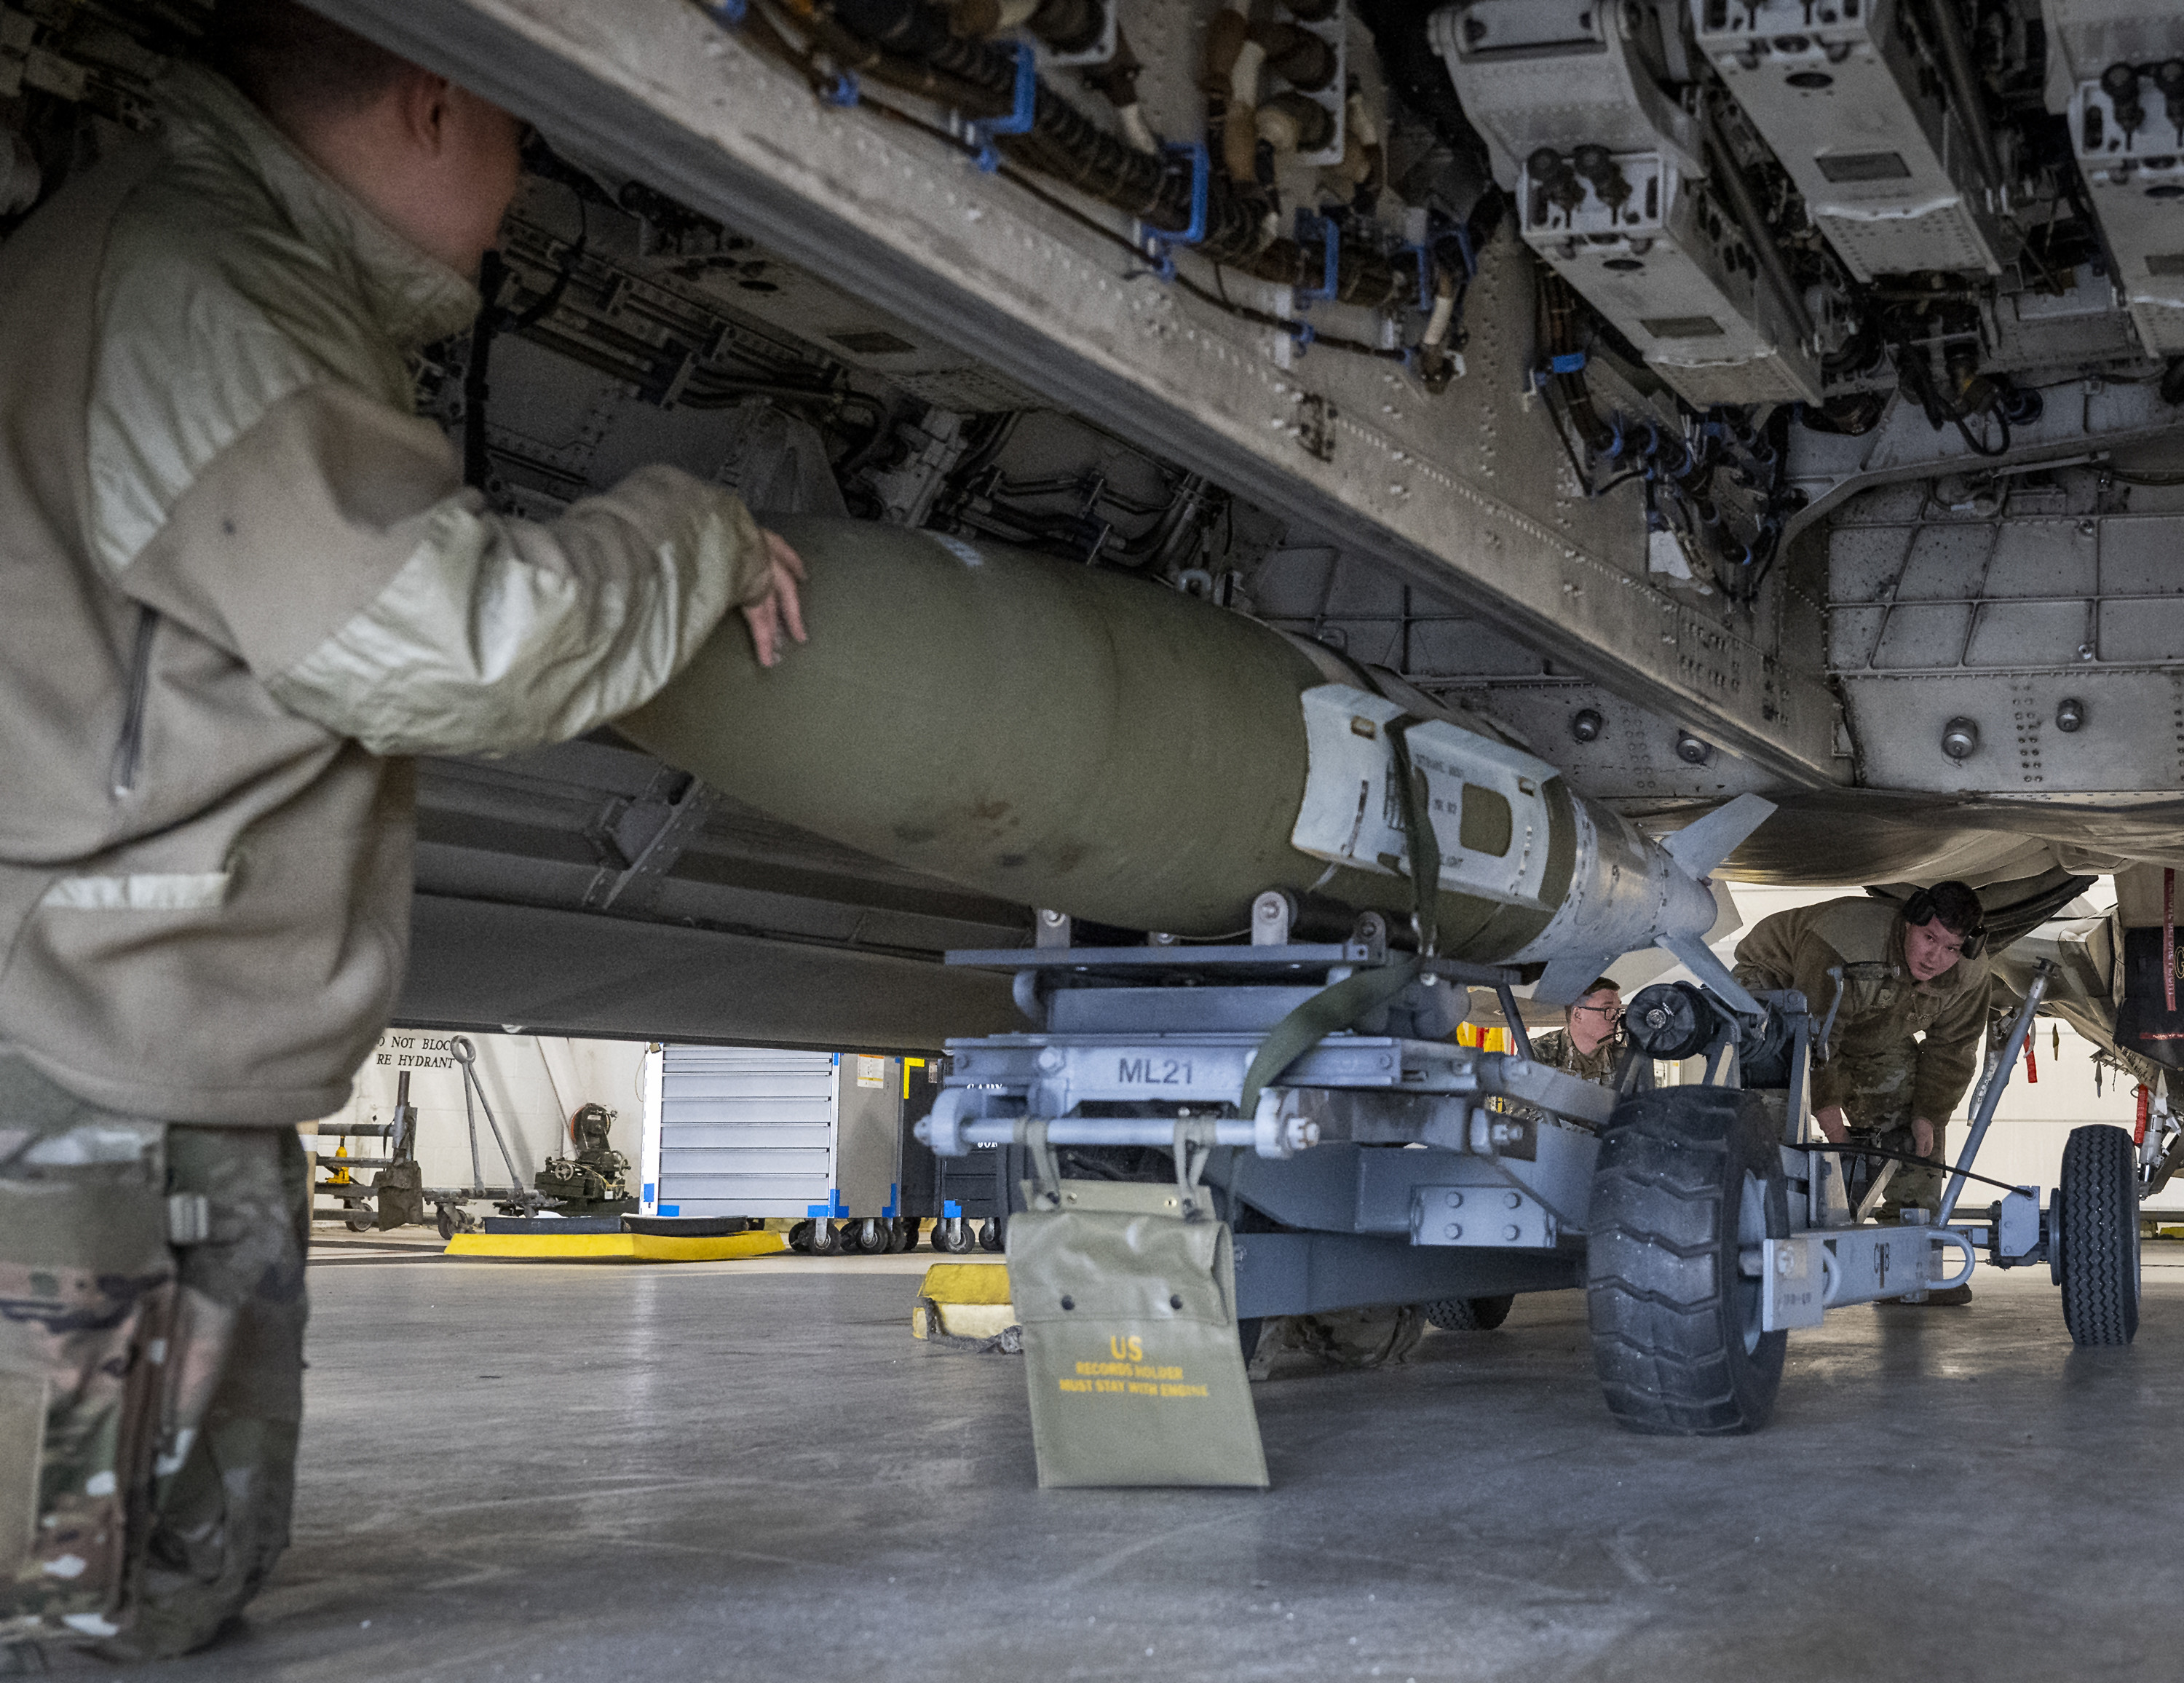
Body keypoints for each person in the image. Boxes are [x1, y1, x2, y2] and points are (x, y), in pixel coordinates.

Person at [0, 2, 806, 1659]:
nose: (527, 198)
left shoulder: (185, 257)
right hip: (91, 1082)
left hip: (130, 1063)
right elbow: (447, 646)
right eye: (526, 141)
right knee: (79, 1607)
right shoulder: (202, 285)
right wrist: (690, 530)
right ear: (436, 102)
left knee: (155, 1582)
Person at [1730, 884, 1990, 1303]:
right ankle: (1757, 1259)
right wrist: (1837, 1134)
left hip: (1872, 1027)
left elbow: (1953, 1049)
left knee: (1915, 1132)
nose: (1935, 958)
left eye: (1951, 948)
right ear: (1909, 923)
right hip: (1779, 999)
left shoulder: (1968, 976)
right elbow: (1816, 1040)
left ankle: (1913, 1268)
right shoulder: (1846, 942)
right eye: (1929, 938)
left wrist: (1929, 1114)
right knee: (1777, 1118)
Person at [1531, 978, 1625, 1091]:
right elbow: (1519, 1107)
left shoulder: (1622, 1057)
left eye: (1618, 1010)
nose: (1617, 1018)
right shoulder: (1538, 1053)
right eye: (1608, 1010)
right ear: (1578, 1014)